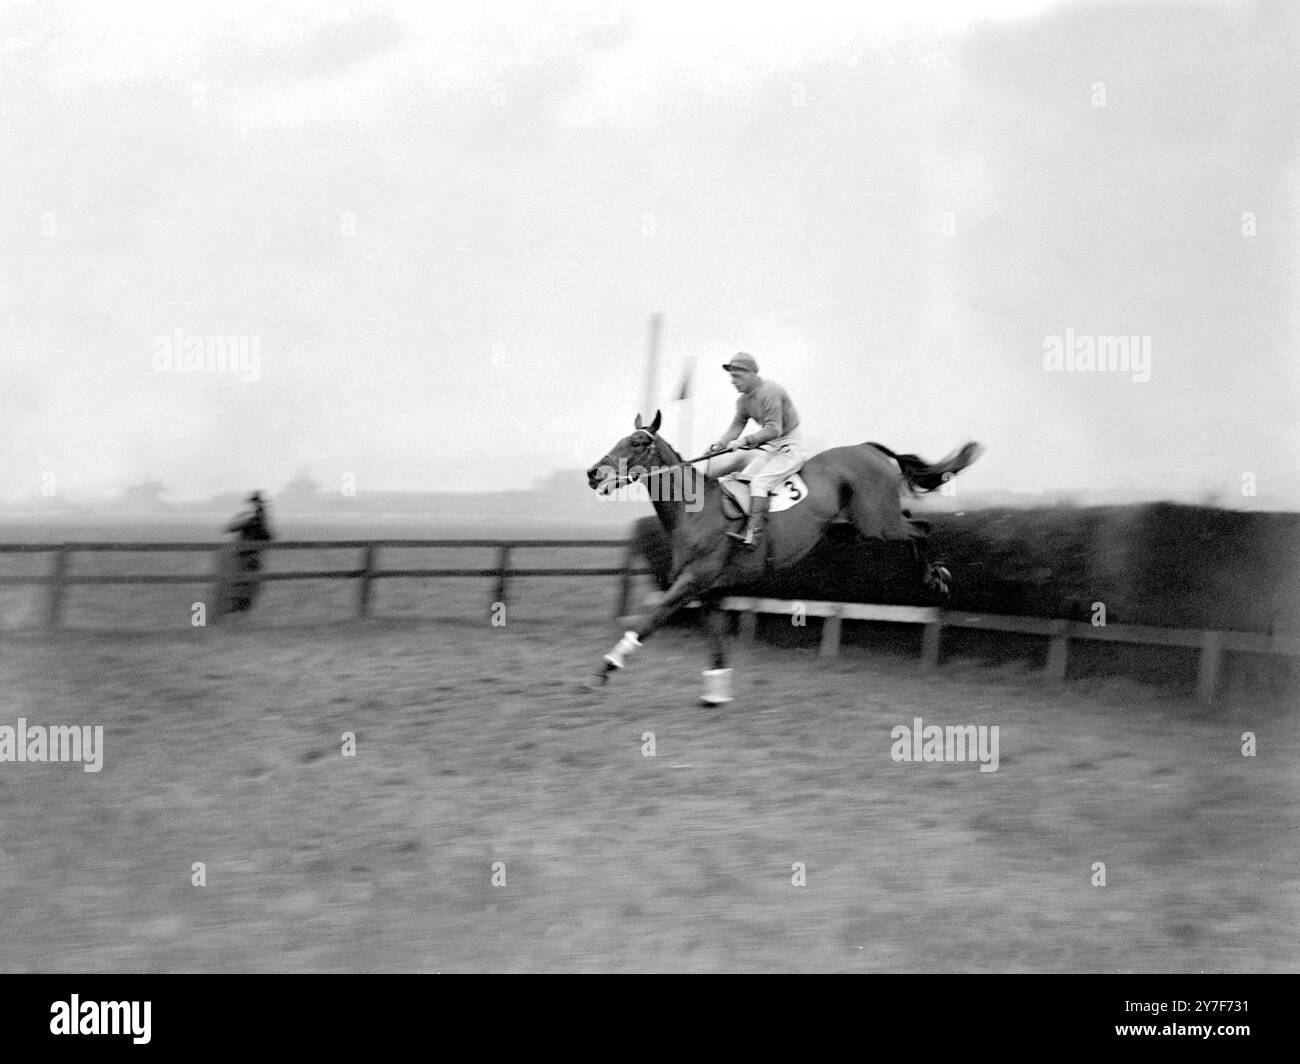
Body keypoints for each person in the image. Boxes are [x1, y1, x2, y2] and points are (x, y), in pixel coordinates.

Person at [706, 353, 807, 549]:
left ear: (751, 374)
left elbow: (774, 429)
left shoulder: (771, 391)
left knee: (759, 483)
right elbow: (737, 425)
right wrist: (720, 445)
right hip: (772, 448)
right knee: (741, 479)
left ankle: (754, 536)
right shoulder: (743, 401)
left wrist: (743, 441)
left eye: (737, 377)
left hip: (791, 446)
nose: (733, 382)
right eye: (731, 377)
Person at [220, 491, 275, 614]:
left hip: (245, 557)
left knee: (244, 584)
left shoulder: (253, 520)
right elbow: (269, 537)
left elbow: (229, 528)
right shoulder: (258, 520)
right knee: (249, 585)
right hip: (251, 557)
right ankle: (237, 608)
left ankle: (235, 608)